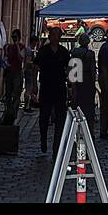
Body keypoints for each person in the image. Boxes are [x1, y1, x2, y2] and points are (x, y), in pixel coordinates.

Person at [36, 26, 69, 155]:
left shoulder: (64, 52)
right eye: (54, 35)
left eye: (58, 35)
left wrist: (73, 86)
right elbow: (35, 67)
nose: (56, 37)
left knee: (60, 119)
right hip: (46, 87)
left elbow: (71, 68)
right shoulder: (43, 51)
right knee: (44, 117)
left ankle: (56, 146)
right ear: (50, 37)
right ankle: (43, 139)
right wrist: (34, 84)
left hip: (60, 88)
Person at [70, 29, 98, 133]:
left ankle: (76, 127)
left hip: (77, 79)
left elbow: (72, 70)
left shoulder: (75, 52)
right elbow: (92, 70)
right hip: (87, 80)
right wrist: (93, 83)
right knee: (88, 106)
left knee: (77, 103)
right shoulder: (90, 54)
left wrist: (73, 85)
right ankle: (88, 127)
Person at [3, 28, 25, 123]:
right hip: (9, 72)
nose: (14, 39)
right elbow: (6, 58)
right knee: (8, 94)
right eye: (13, 37)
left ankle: (13, 114)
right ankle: (8, 112)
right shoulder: (9, 47)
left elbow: (21, 58)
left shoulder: (22, 47)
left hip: (17, 72)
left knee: (16, 94)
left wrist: (17, 47)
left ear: (19, 37)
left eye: (15, 37)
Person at [23, 33, 39, 111]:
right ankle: (27, 106)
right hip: (29, 71)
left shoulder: (30, 49)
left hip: (29, 71)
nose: (36, 44)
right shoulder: (29, 50)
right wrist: (34, 64)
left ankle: (29, 104)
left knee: (29, 89)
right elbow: (28, 61)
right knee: (28, 89)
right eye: (36, 42)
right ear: (34, 42)